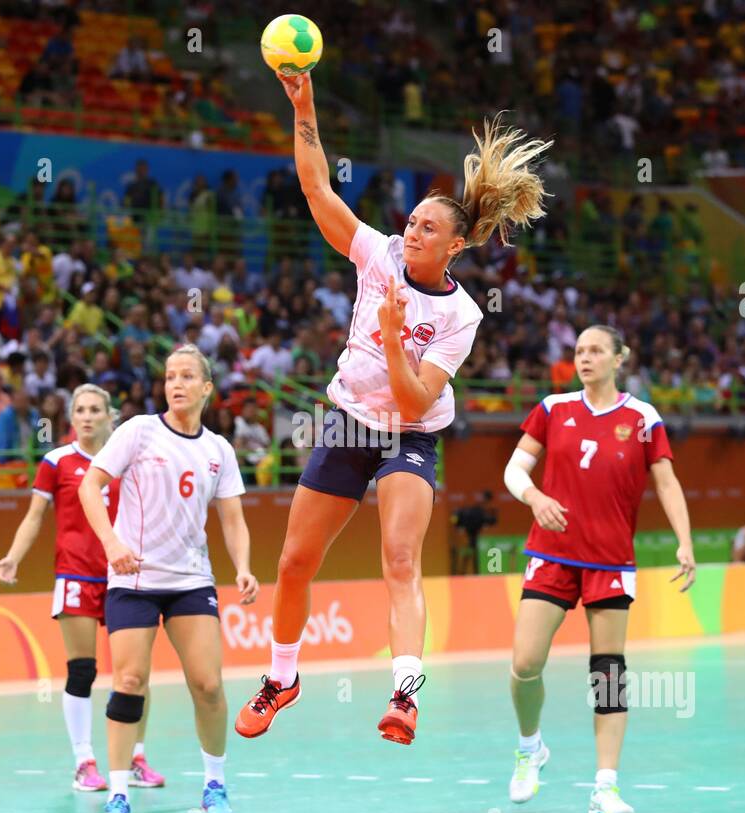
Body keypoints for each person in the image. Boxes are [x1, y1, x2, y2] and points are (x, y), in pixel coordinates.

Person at [233, 70, 552, 747]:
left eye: (427, 227)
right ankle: (281, 679)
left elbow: (413, 397)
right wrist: (306, 106)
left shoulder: (460, 315)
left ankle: (404, 695)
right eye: (410, 221)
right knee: (293, 562)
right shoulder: (376, 253)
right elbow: (318, 188)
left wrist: (388, 334)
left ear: (455, 246)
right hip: (348, 422)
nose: (411, 231)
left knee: (400, 559)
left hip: (410, 434)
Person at [501, 325, 695, 813]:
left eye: (596, 351)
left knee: (608, 675)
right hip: (552, 554)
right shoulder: (552, 409)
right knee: (525, 663)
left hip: (609, 561)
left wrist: (685, 543)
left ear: (618, 359)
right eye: (579, 351)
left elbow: (668, 485)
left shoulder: (642, 418)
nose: (584, 358)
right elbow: (514, 470)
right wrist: (536, 498)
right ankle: (531, 748)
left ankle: (605, 787)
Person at [79, 344, 258, 813]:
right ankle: (117, 795)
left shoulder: (218, 450)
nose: (175, 384)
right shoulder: (138, 431)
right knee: (129, 682)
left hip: (190, 582)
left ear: (206, 388)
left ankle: (215, 785)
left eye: (186, 377)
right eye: (169, 376)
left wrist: (242, 566)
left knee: (208, 684)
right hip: (133, 581)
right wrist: (111, 542)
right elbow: (88, 487)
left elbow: (234, 520)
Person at [0, 384, 166, 791]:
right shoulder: (56, 462)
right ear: (72, 418)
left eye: (94, 409)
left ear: (111, 416)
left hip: (125, 575)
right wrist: (14, 556)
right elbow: (35, 517)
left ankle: (136, 757)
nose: (87, 416)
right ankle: (84, 761)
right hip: (76, 575)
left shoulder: (129, 458)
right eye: (80, 410)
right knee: (82, 669)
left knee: (135, 674)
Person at [452, 490, 497, 575]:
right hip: (468, 538)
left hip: (475, 537)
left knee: (474, 553)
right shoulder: (475, 509)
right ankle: (463, 572)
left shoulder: (483, 510)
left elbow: (490, 521)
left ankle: (473, 572)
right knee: (468, 552)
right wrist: (460, 527)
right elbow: (455, 519)